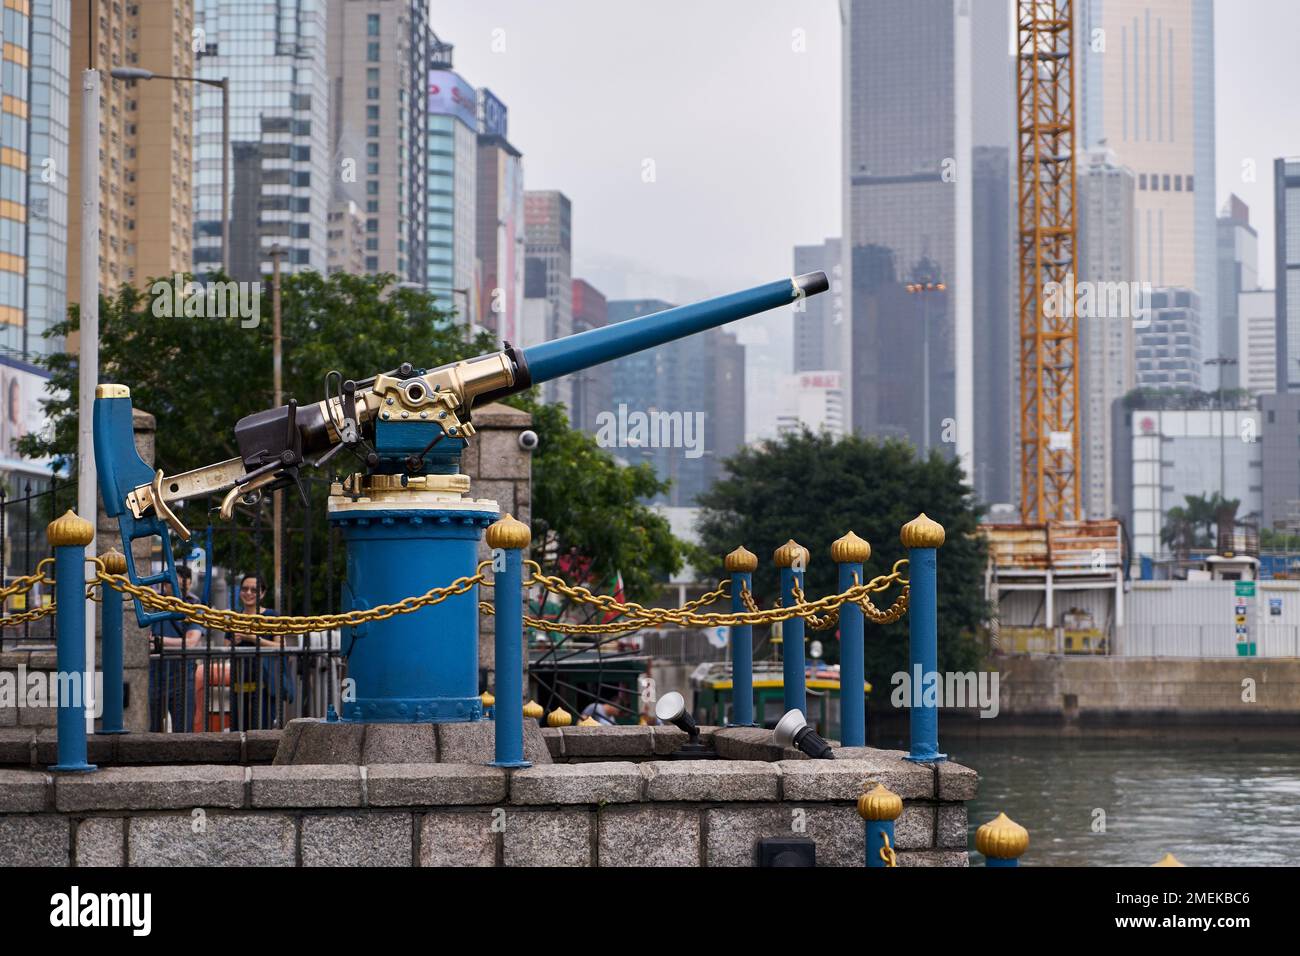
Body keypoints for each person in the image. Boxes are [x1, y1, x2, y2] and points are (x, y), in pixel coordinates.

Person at [193, 573, 293, 731]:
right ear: (240, 592)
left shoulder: (272, 616)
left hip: (265, 685)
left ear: (262, 593)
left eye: (254, 590)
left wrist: (253, 638)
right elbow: (226, 647)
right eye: (245, 589)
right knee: (238, 729)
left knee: (262, 729)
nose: (249, 593)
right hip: (239, 683)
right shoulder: (235, 616)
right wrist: (234, 642)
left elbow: (280, 645)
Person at [148, 566, 204, 732]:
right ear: (165, 585)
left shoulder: (193, 606)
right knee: (153, 728)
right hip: (155, 673)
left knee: (183, 727)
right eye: (175, 585)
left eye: (184, 586)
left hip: (183, 674)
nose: (180, 590)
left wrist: (158, 641)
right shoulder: (154, 604)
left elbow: (191, 641)